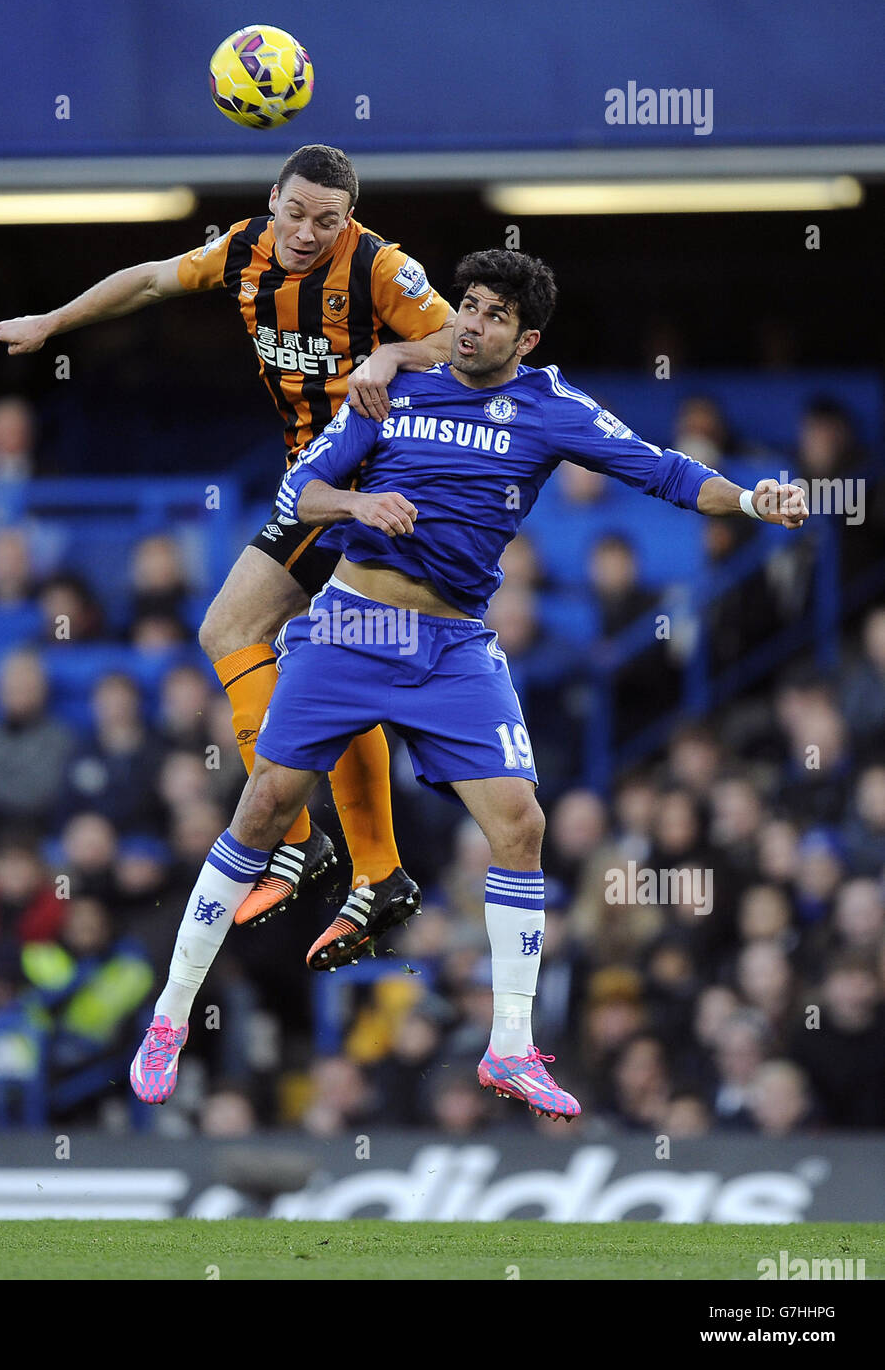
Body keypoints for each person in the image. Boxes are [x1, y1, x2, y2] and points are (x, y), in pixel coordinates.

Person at [129, 248, 809, 1118]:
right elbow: (301, 491)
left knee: (522, 822)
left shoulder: (550, 407)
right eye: (469, 306)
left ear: (524, 339)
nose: (471, 323)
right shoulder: (393, 390)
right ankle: (172, 1015)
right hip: (351, 626)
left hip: (452, 646)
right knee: (263, 808)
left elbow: (664, 471)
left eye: (492, 316)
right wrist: (359, 505)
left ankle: (512, 1048)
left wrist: (753, 502)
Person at [0, 143, 454, 948]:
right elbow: (154, 277)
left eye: (325, 221)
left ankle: (312, 849)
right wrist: (54, 321)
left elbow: (465, 346)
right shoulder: (242, 250)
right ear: (275, 199)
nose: (305, 233)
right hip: (319, 485)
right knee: (300, 658)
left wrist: (395, 350)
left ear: (349, 220)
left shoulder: (381, 268)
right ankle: (369, 868)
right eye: (294, 213)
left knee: (238, 632)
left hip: (375, 488)